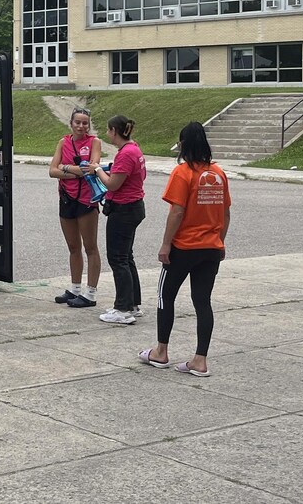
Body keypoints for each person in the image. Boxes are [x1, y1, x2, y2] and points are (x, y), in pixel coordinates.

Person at [139, 122, 231, 377]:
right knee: (203, 302)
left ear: (184, 144)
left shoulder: (183, 173)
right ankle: (199, 360)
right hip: (211, 248)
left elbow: (177, 211)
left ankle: (161, 351)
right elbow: (225, 212)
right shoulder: (219, 173)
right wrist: (219, 241)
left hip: (184, 247)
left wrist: (166, 244)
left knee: (165, 297)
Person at [83, 114, 147, 325]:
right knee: (127, 257)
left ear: (114, 131)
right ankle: (133, 303)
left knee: (118, 258)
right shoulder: (134, 149)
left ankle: (122, 309)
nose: (107, 134)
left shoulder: (126, 154)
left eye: (108, 130)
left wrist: (98, 169)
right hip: (134, 206)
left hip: (124, 209)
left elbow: (112, 185)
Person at [50, 108, 103, 308]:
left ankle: (90, 293)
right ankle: (75, 288)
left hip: (87, 200)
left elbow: (91, 168)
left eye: (85, 123)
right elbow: (52, 171)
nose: (81, 126)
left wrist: (66, 169)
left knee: (90, 247)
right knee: (73, 247)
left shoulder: (94, 142)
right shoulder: (63, 142)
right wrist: (71, 169)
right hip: (66, 199)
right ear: (71, 123)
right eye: (78, 122)